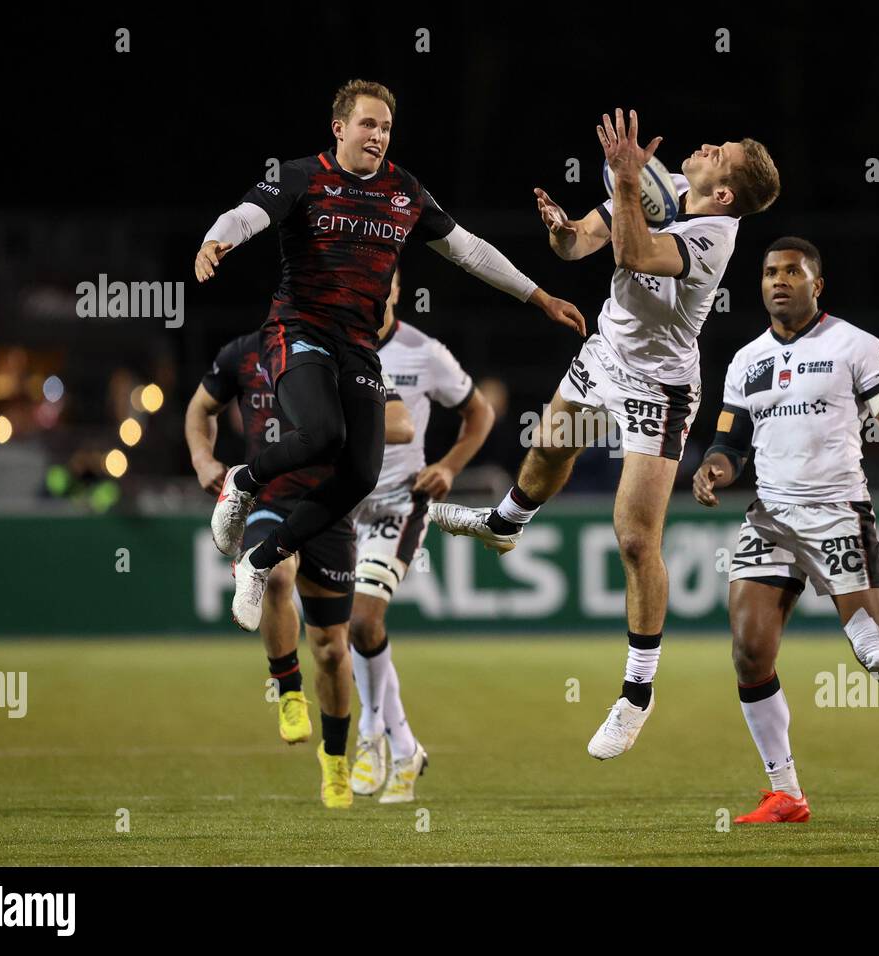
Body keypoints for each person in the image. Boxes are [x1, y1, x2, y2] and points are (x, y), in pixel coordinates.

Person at [431, 109, 781, 760]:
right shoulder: (666, 183)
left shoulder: (714, 234)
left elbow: (635, 250)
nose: (702, 145)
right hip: (607, 356)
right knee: (548, 450)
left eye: (718, 151)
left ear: (726, 192)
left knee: (634, 538)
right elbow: (586, 244)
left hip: (661, 389)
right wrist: (563, 232)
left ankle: (636, 695)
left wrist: (624, 179)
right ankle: (505, 526)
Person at [194, 77, 585, 642]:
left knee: (360, 472)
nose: (378, 135)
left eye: (386, 127)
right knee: (324, 434)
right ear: (340, 127)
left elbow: (469, 249)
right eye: (367, 124)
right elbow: (248, 212)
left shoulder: (404, 191)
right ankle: (246, 481)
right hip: (297, 331)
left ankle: (258, 562)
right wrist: (215, 240)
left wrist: (540, 296)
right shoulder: (303, 175)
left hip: (357, 345)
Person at [692, 237, 879, 823]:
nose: (778, 281)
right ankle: (786, 791)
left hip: (838, 514)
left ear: (817, 284)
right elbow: (729, 444)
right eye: (768, 273)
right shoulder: (744, 360)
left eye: (792, 272)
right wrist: (714, 469)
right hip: (771, 519)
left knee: (876, 656)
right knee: (749, 652)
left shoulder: (855, 345)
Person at [185, 332, 412, 808]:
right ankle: (287, 686)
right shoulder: (241, 353)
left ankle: (334, 759)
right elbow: (199, 408)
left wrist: (344, 418)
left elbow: (401, 424)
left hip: (328, 509)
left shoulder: (344, 353)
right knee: (277, 573)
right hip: (269, 499)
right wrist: (203, 459)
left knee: (331, 649)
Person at [346, 270, 496, 804]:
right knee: (349, 634)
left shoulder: (423, 352)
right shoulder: (335, 346)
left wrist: (450, 467)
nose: (372, 296)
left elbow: (480, 412)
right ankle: (406, 747)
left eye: (380, 287)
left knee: (364, 622)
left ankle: (369, 733)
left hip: (398, 504)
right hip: (340, 507)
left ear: (395, 291)